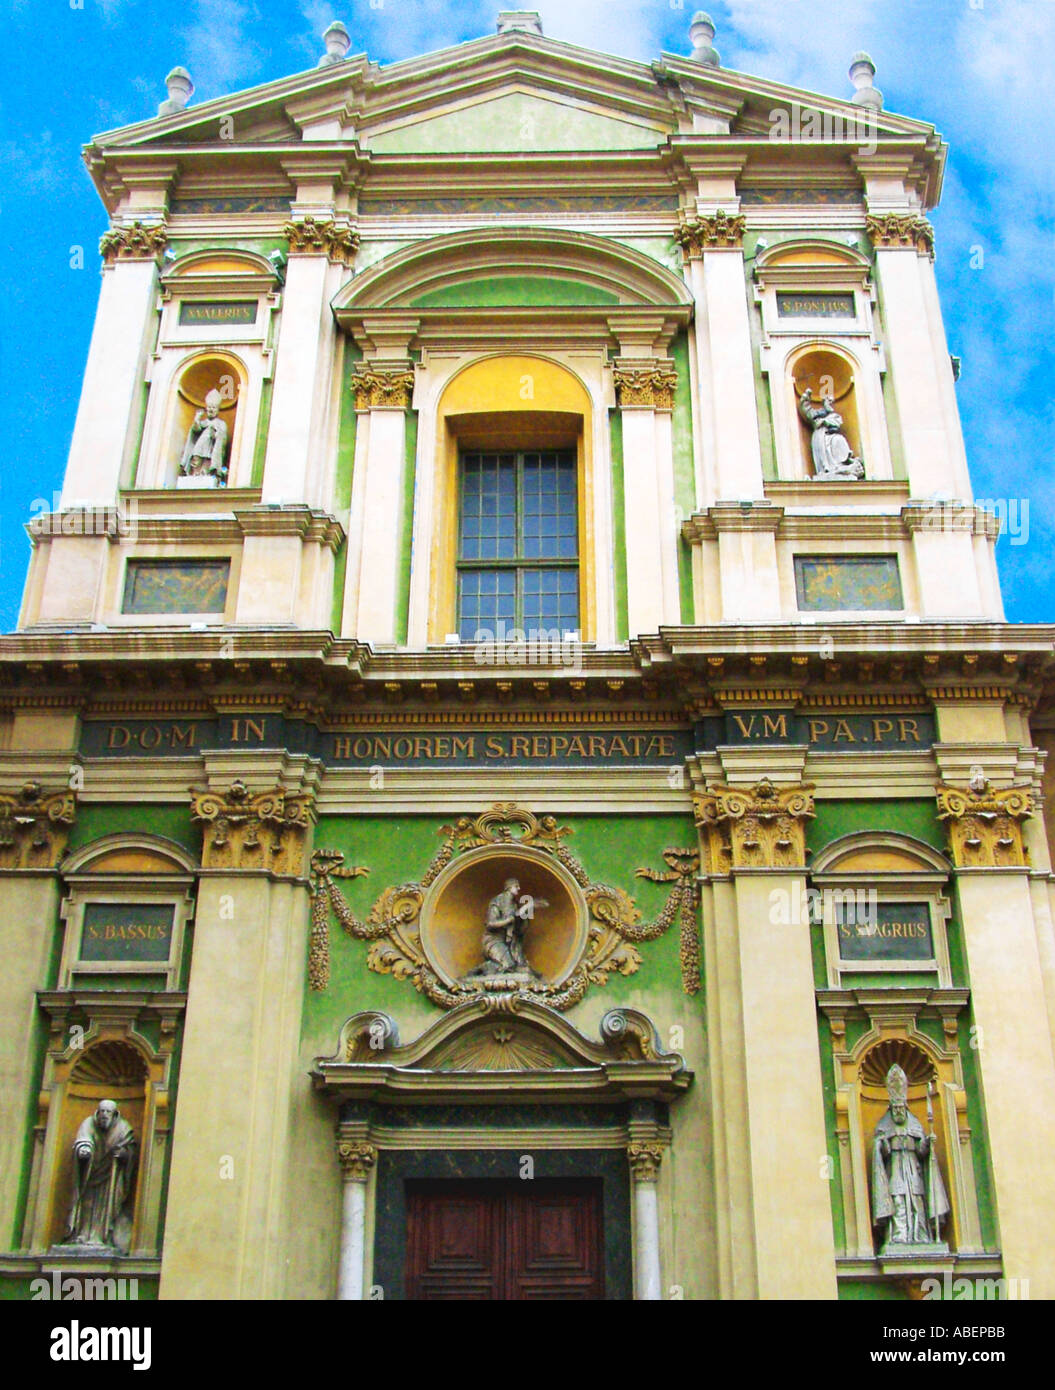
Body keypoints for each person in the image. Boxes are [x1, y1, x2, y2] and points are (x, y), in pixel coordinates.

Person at [871, 1064, 948, 1248]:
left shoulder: (915, 1125)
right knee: (898, 1202)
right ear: (891, 1108)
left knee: (917, 1202)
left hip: (913, 1170)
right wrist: (882, 1144)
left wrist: (928, 1143)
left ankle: (921, 1236)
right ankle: (899, 1237)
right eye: (895, 1108)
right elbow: (882, 1154)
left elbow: (921, 1151)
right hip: (895, 1170)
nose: (898, 1112)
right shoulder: (884, 1126)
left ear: (905, 1107)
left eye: (901, 1108)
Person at [65, 1099, 137, 1252]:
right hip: (90, 1173)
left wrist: (124, 1155)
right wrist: (84, 1149)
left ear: (115, 1114)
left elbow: (130, 1150)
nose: (104, 1115)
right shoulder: (89, 1123)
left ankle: (101, 1236)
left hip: (111, 1176)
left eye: (108, 1112)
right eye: (102, 1111)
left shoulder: (123, 1129)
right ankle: (83, 1233)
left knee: (107, 1206)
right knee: (87, 1204)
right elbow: (84, 1138)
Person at [798, 387, 865, 479]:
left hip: (831, 438)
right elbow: (807, 411)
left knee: (838, 441)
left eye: (831, 401)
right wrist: (805, 399)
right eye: (828, 401)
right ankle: (826, 469)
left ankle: (838, 467)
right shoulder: (817, 414)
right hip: (820, 438)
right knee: (824, 455)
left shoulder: (834, 416)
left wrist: (824, 421)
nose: (830, 403)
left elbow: (837, 422)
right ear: (824, 402)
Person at [179, 389, 229, 483]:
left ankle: (206, 473)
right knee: (196, 458)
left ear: (218, 410)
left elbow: (222, 438)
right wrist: (197, 418)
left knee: (207, 463)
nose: (211, 409)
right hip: (199, 449)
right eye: (209, 407)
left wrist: (216, 434)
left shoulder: (220, 423)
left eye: (214, 407)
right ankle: (194, 474)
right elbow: (195, 430)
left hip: (210, 451)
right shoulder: (204, 423)